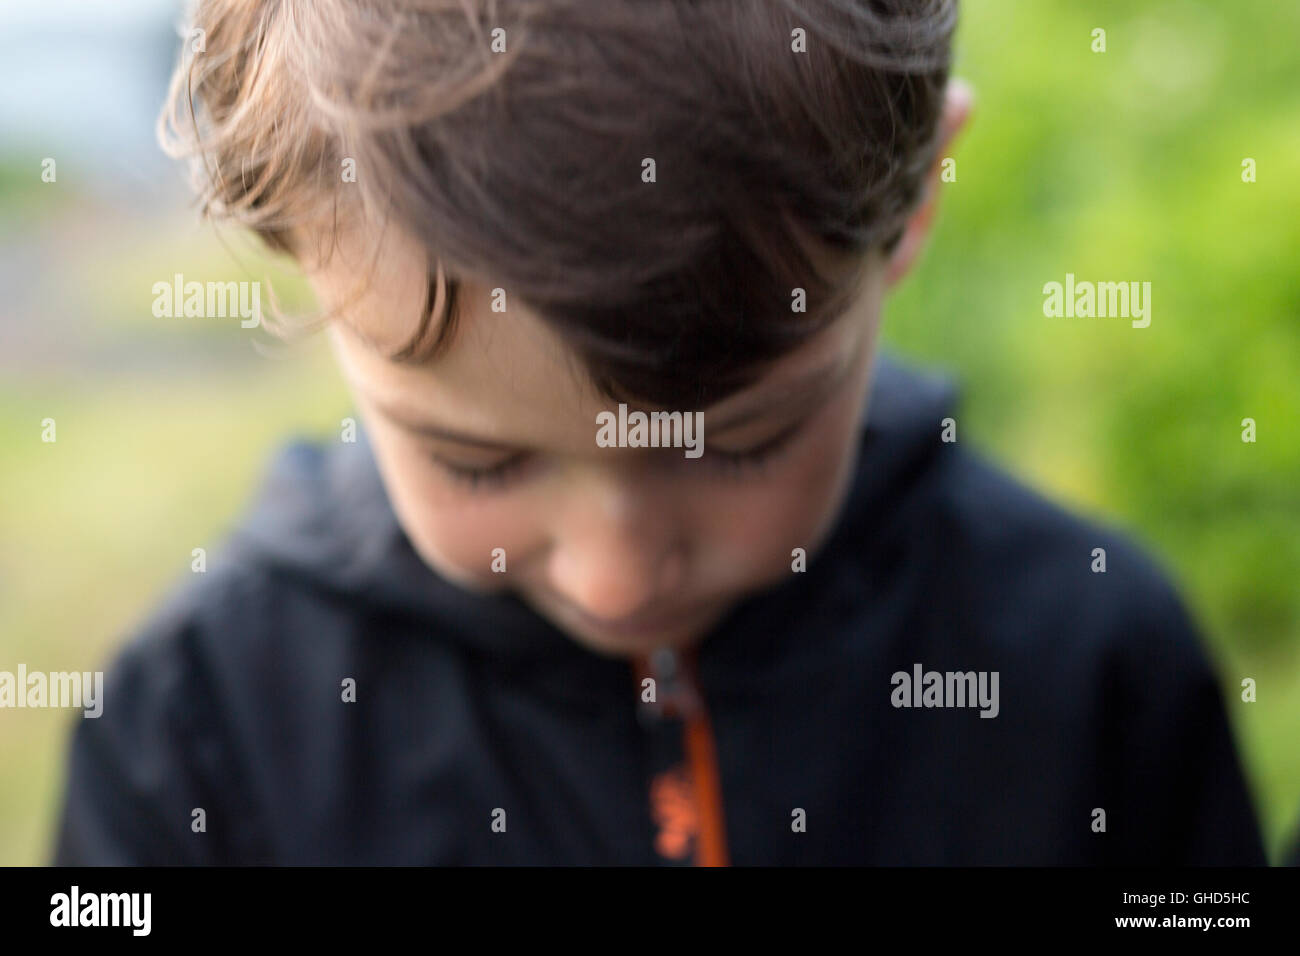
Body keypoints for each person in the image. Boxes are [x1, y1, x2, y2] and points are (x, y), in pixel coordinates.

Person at [51, 0, 1266, 865]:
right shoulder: (198, 738)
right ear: (301, 259)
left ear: (914, 204)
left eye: (739, 442)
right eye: (478, 460)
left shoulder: (1086, 663)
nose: (617, 571)